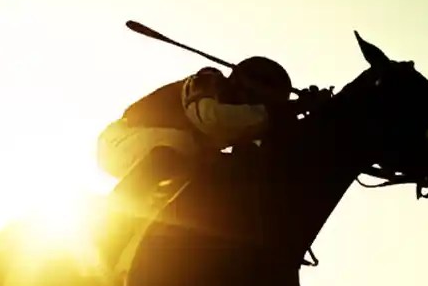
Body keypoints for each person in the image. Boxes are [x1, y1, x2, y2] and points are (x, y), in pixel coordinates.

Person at [96, 56, 296, 213]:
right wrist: (280, 113)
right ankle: (110, 220)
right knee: (180, 146)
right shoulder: (207, 80)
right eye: (256, 100)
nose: (254, 106)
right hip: (119, 141)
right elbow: (208, 119)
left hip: (171, 161)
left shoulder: (246, 120)